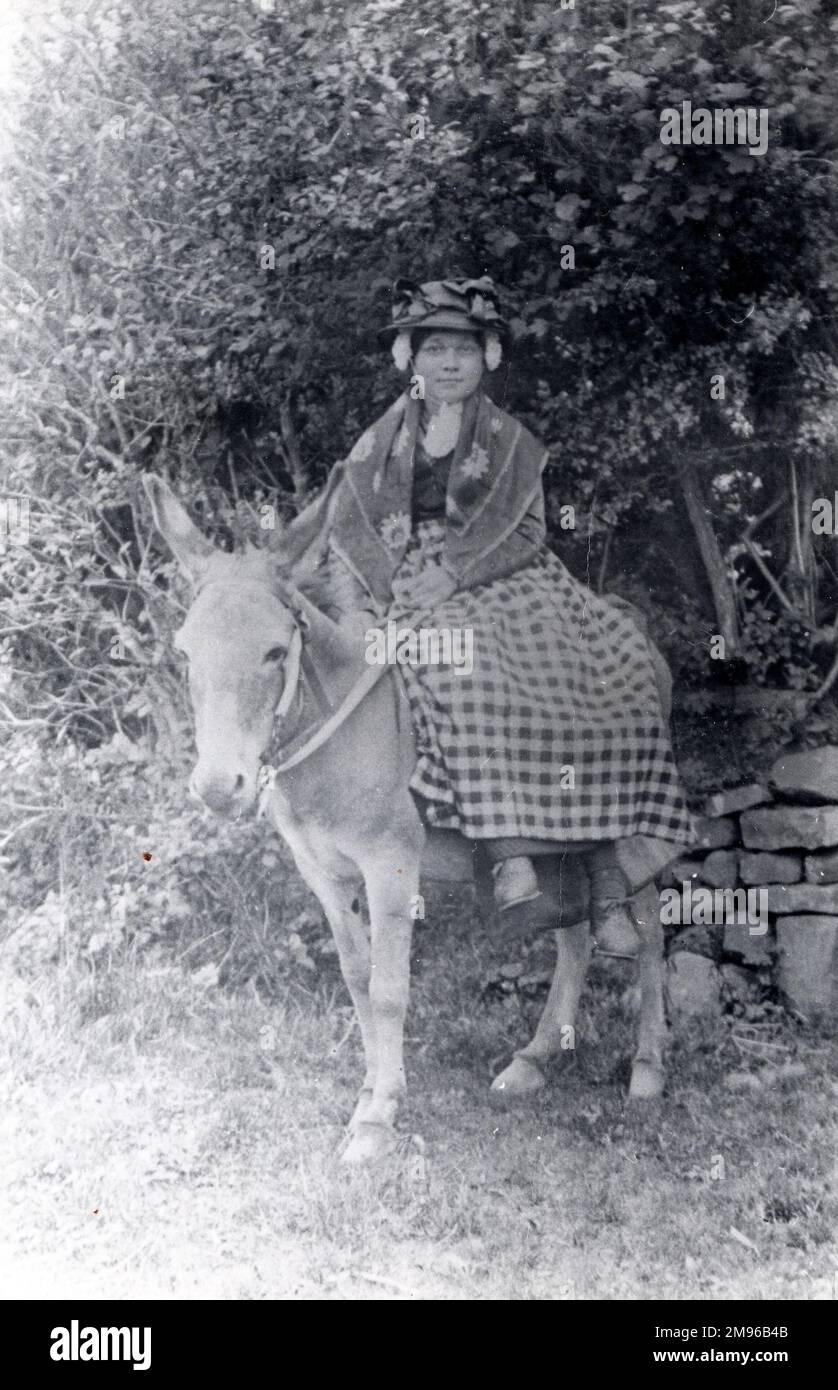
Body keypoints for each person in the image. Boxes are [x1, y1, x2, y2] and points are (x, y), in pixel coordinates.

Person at [276, 276, 695, 951]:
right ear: (409, 359)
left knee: (584, 677)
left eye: (463, 351)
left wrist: (457, 574)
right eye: (435, 350)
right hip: (404, 588)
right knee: (452, 670)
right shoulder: (376, 446)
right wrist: (373, 603)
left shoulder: (510, 441)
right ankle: (510, 853)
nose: (448, 364)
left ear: (487, 358)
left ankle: (606, 878)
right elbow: (349, 538)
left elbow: (529, 535)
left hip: (507, 579)